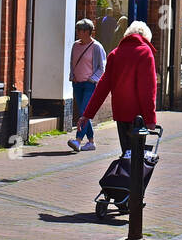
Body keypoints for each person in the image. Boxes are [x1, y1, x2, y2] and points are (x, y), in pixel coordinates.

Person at [74, 21, 158, 154]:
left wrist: (87, 115)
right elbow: (147, 90)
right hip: (138, 115)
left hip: (120, 112)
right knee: (137, 157)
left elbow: (102, 86)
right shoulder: (145, 53)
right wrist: (150, 119)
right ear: (145, 37)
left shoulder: (115, 53)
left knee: (126, 153)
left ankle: (125, 172)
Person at [67, 19, 106, 152]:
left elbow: (102, 67)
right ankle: (91, 142)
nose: (77, 32)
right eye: (77, 29)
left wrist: (92, 79)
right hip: (77, 84)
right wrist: (72, 77)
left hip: (89, 85)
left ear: (87, 32)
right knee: (84, 113)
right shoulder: (75, 45)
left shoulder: (96, 47)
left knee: (84, 112)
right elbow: (72, 62)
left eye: (79, 30)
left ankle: (78, 141)